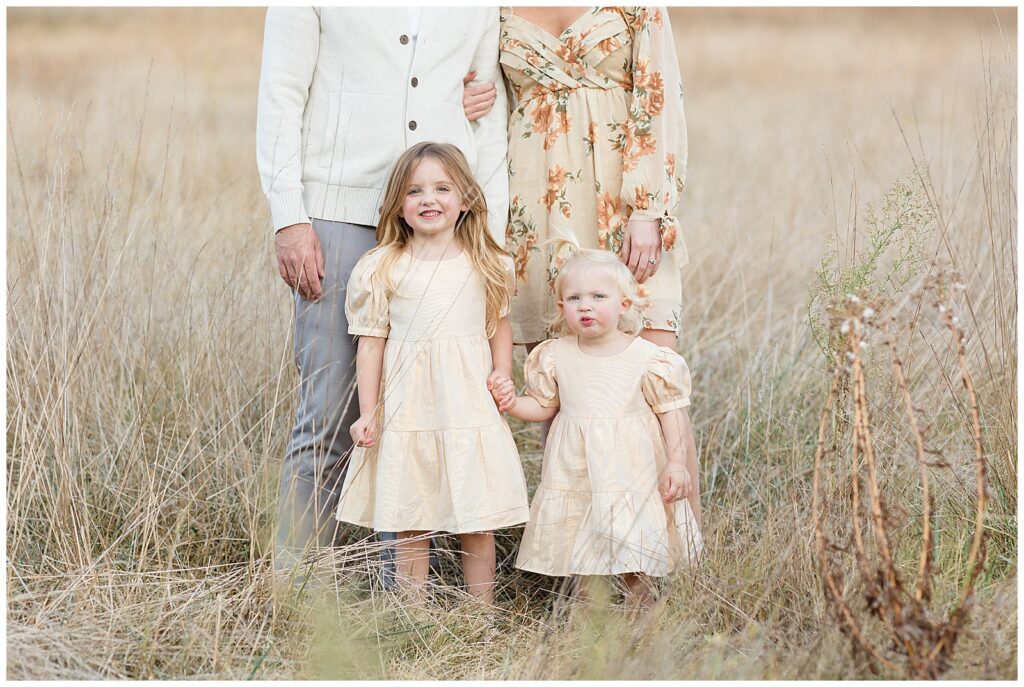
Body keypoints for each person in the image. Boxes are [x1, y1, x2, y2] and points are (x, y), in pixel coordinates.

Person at [255, 8, 509, 574]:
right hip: (339, 214)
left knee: (428, 411)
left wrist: (491, 231)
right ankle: (296, 583)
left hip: (444, 229)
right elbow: (281, 95)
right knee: (329, 409)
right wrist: (289, 216)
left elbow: (488, 117)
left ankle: (408, 593)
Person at [335, 142, 529, 604]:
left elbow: (498, 326)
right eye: (414, 191)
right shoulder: (383, 267)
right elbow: (371, 343)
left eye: (443, 188)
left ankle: (480, 613)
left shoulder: (486, 263)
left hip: (468, 403)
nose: (429, 199)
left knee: (477, 515)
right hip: (409, 408)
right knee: (410, 514)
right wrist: (368, 412)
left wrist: (503, 374)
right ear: (398, 205)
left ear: (465, 200)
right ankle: (413, 614)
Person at [488, 247, 702, 606]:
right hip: (578, 471)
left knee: (634, 548)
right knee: (582, 550)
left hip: (631, 472)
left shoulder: (648, 358)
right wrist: (512, 404)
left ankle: (640, 613)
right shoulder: (556, 354)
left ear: (624, 304)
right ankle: (587, 618)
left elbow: (672, 413)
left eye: (598, 297)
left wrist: (678, 464)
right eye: (574, 298)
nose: (585, 306)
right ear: (562, 308)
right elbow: (544, 406)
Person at [499, 7, 688, 349]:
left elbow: (658, 99)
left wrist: (647, 210)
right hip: (538, 206)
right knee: (557, 370)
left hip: (623, 204)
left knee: (654, 366)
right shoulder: (494, 10)